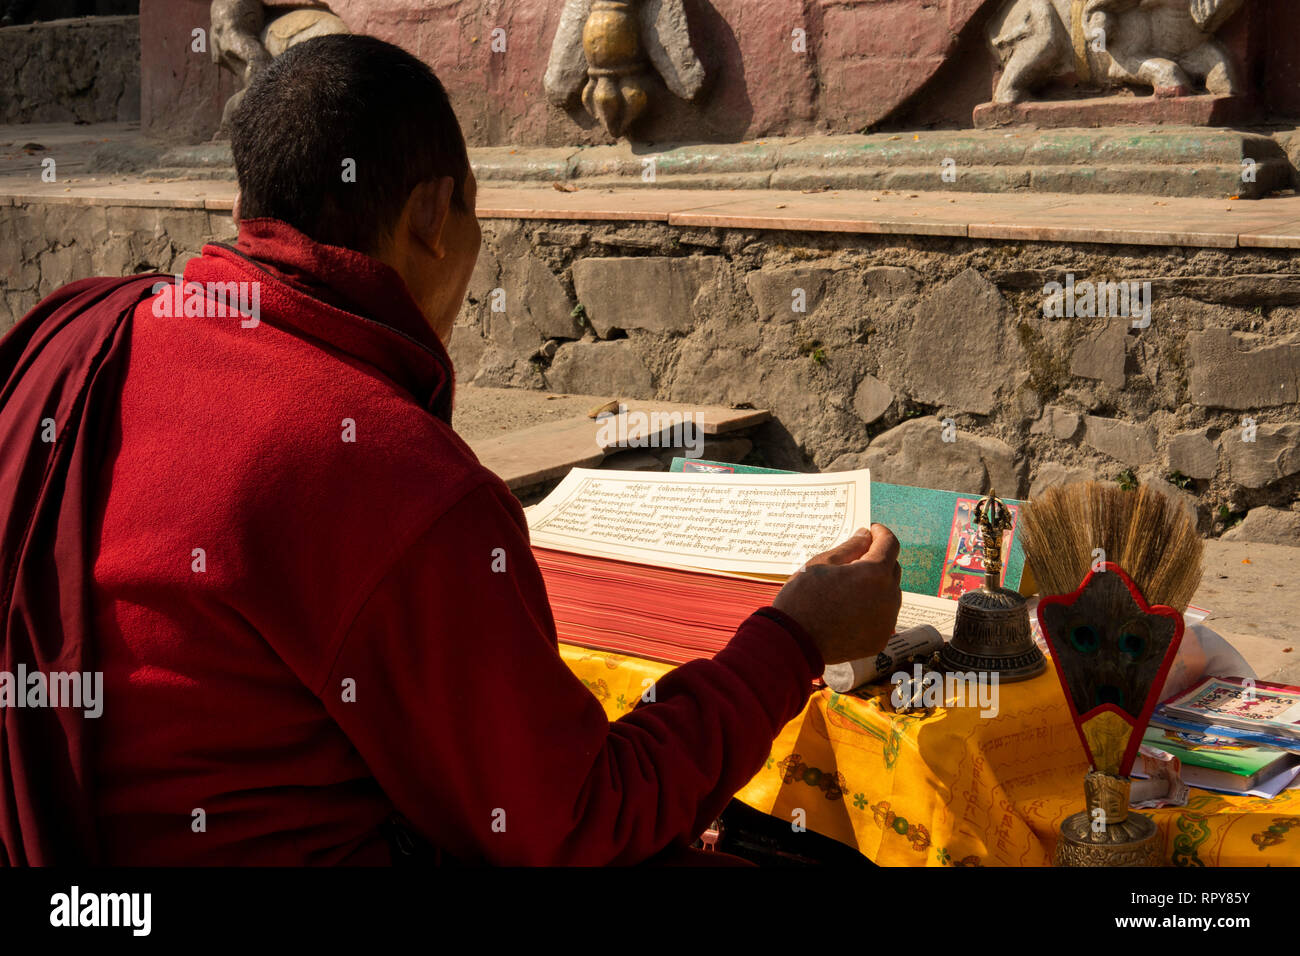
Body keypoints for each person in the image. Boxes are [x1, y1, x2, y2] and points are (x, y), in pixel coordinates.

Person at [0, 34, 903, 866]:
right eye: (474, 213)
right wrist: (794, 640)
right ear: (436, 215)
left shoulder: (96, 329)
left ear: (249, 205)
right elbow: (576, 820)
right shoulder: (388, 470)